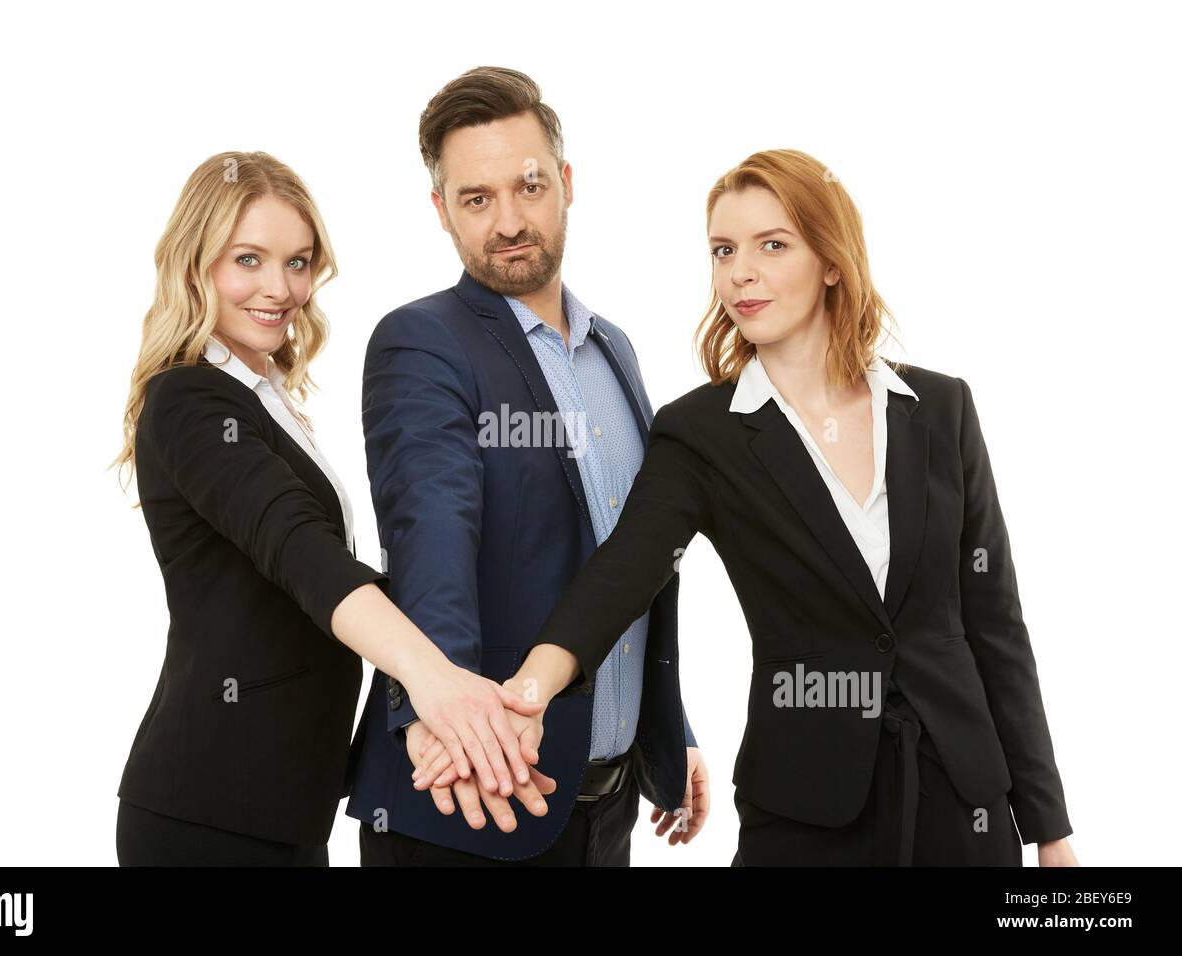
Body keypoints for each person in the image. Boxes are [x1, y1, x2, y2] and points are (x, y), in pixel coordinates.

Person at [416, 148, 1079, 867]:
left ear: (831, 260)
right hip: (807, 811)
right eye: (723, 250)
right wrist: (529, 692)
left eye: (772, 244)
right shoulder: (703, 432)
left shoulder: (942, 408)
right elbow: (620, 579)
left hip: (963, 804)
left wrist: (1050, 829)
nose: (740, 272)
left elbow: (996, 626)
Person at [111, 151, 541, 866]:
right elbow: (301, 550)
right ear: (196, 265)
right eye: (248, 259)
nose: (280, 289)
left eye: (299, 262)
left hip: (285, 808)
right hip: (210, 811)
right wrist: (436, 684)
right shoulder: (189, 399)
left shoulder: (264, 393)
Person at [344, 67, 708, 866]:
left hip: (603, 807)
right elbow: (430, 535)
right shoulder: (424, 343)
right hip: (472, 800)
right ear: (441, 211)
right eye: (476, 199)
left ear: (567, 184)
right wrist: (449, 724)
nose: (508, 221)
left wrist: (666, 726)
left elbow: (632, 556)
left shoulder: (616, 350)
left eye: (529, 186)